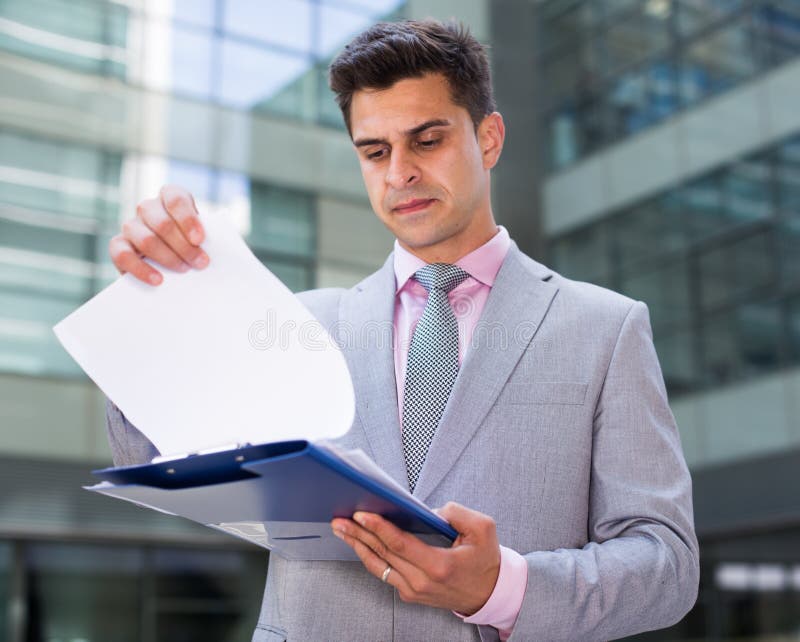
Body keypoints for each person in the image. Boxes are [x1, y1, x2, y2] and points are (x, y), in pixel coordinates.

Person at [105, 19, 699, 641]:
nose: (400, 174)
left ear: (489, 138)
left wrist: (501, 588)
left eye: (428, 140)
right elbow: (155, 460)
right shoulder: (297, 324)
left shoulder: (606, 329)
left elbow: (666, 564)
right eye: (376, 151)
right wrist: (159, 310)